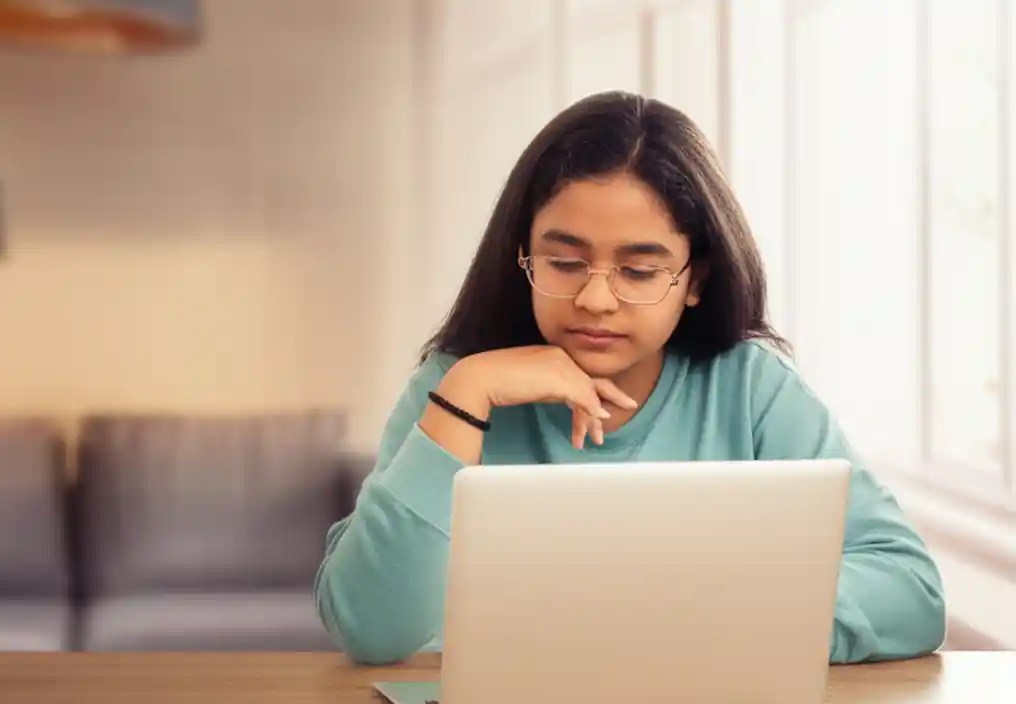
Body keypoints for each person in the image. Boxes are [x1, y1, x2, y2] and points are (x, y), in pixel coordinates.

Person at [313, 91, 946, 666]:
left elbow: (909, 590)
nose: (595, 299)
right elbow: (372, 628)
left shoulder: (751, 390)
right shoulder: (454, 384)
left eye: (639, 273)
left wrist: (701, 621)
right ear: (523, 258)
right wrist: (465, 397)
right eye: (564, 263)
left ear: (694, 279)